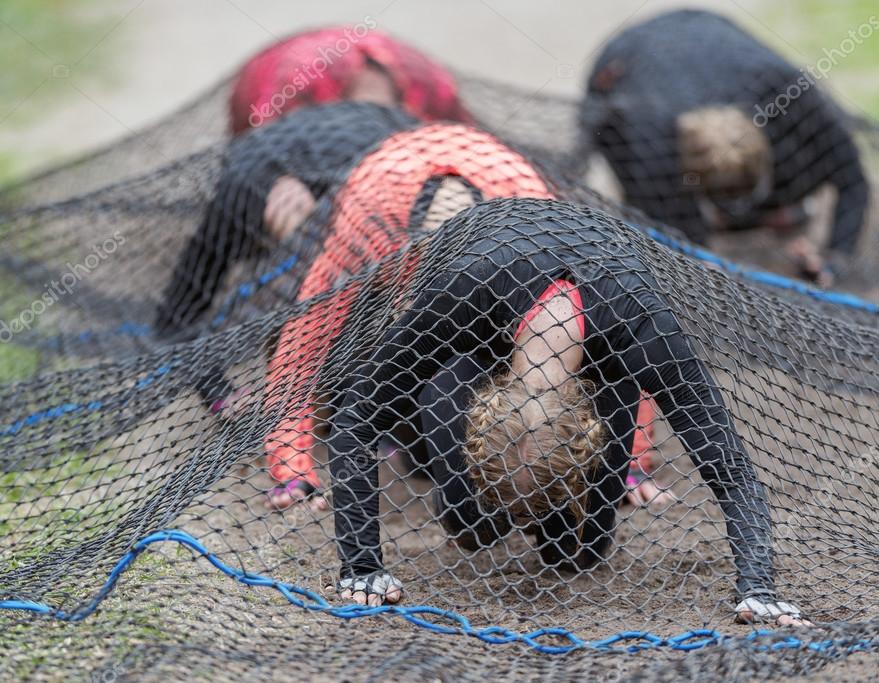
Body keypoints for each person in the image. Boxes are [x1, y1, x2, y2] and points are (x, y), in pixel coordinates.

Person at [323, 197, 806, 626]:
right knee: (473, 524)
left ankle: (551, 512)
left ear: (588, 432)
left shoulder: (645, 332)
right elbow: (356, 417)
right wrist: (362, 567)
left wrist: (758, 589)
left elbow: (730, 468)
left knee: (578, 552)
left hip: (604, 330)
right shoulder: (461, 294)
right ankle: (470, 497)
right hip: (483, 310)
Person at [258, 123, 665, 511]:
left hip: (500, 211)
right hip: (392, 192)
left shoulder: (537, 230)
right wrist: (292, 470)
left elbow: (622, 331)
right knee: (415, 446)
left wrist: (630, 463)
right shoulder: (367, 231)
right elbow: (303, 345)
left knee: (548, 355)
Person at [583, 9, 870, 286]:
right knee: (658, 224)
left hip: (709, 33)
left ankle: (765, 213)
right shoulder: (650, 146)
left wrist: (834, 259)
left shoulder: (791, 94)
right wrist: (699, 258)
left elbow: (853, 180)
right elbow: (667, 224)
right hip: (625, 59)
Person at [155, 102, 418, 338]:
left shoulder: (386, 126)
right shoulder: (403, 138)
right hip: (273, 171)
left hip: (271, 157)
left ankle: (171, 327)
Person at [229, 27, 472, 135]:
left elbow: (460, 139)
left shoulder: (432, 90)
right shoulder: (296, 81)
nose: (365, 121)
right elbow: (257, 137)